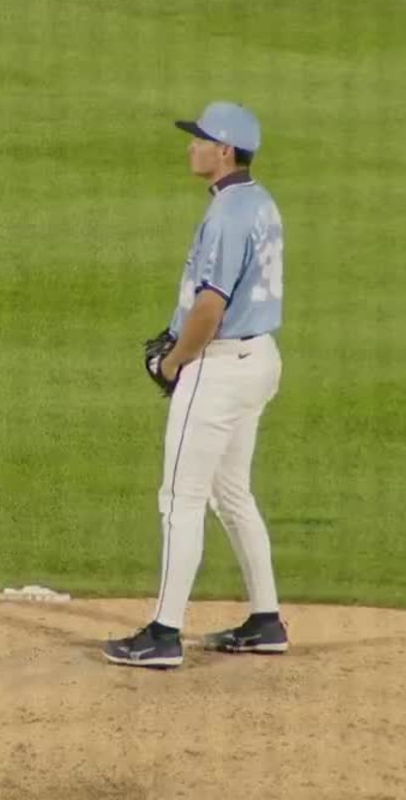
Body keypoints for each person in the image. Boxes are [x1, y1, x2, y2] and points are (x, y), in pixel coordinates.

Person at [103, 101, 290, 669]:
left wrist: (173, 362)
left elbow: (211, 307)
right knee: (231, 493)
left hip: (219, 369)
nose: (192, 146)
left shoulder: (227, 215)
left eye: (201, 139)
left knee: (180, 498)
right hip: (258, 360)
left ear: (225, 151)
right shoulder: (258, 202)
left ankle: (163, 633)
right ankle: (265, 620)